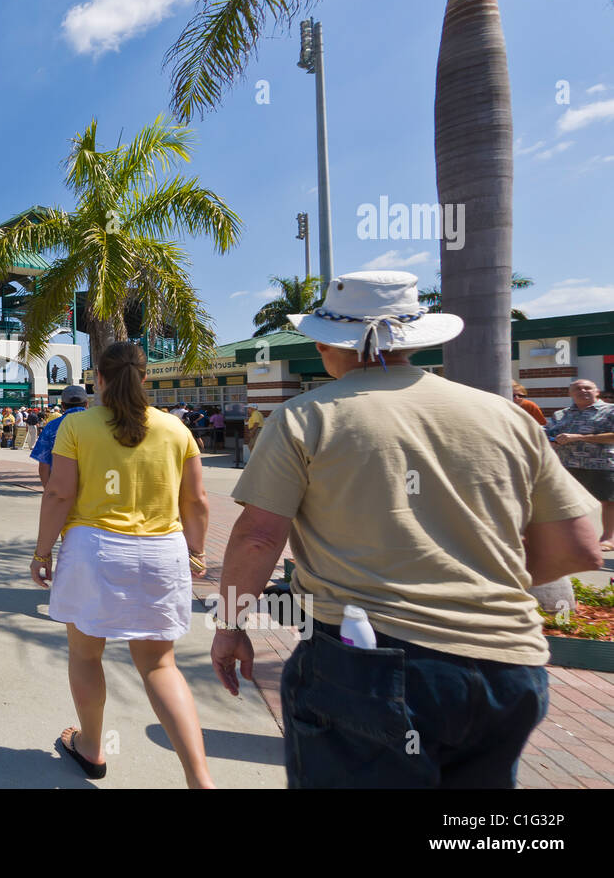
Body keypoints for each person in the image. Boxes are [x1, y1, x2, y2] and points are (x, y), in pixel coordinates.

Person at [212, 270, 602, 788]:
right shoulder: (508, 418)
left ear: (330, 342)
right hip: (506, 667)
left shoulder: (305, 418)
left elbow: (259, 536)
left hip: (364, 662)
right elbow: (580, 547)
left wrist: (230, 625)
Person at [31, 343, 213, 786]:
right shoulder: (176, 429)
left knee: (86, 654)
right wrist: (198, 551)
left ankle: (91, 747)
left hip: (94, 551)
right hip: (162, 551)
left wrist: (41, 552)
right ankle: (200, 778)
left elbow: (59, 493)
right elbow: (196, 501)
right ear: (145, 378)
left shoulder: (76, 425)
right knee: (159, 666)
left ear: (99, 379)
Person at [547, 379, 614, 551]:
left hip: (602, 464)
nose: (583, 391)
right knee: (569, 502)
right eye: (577, 388)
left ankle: (609, 538)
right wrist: (552, 440)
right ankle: (575, 538)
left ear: (597, 391)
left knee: (609, 502)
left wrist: (579, 437)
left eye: (587, 388)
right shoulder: (560, 414)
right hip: (568, 465)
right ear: (570, 393)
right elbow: (548, 434)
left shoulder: (610, 410)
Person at [30, 384, 89, 489]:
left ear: (62, 405)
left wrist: (50, 493)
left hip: (62, 488)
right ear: (87, 404)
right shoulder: (100, 424)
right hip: (95, 490)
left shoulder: (51, 427)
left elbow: (44, 466)